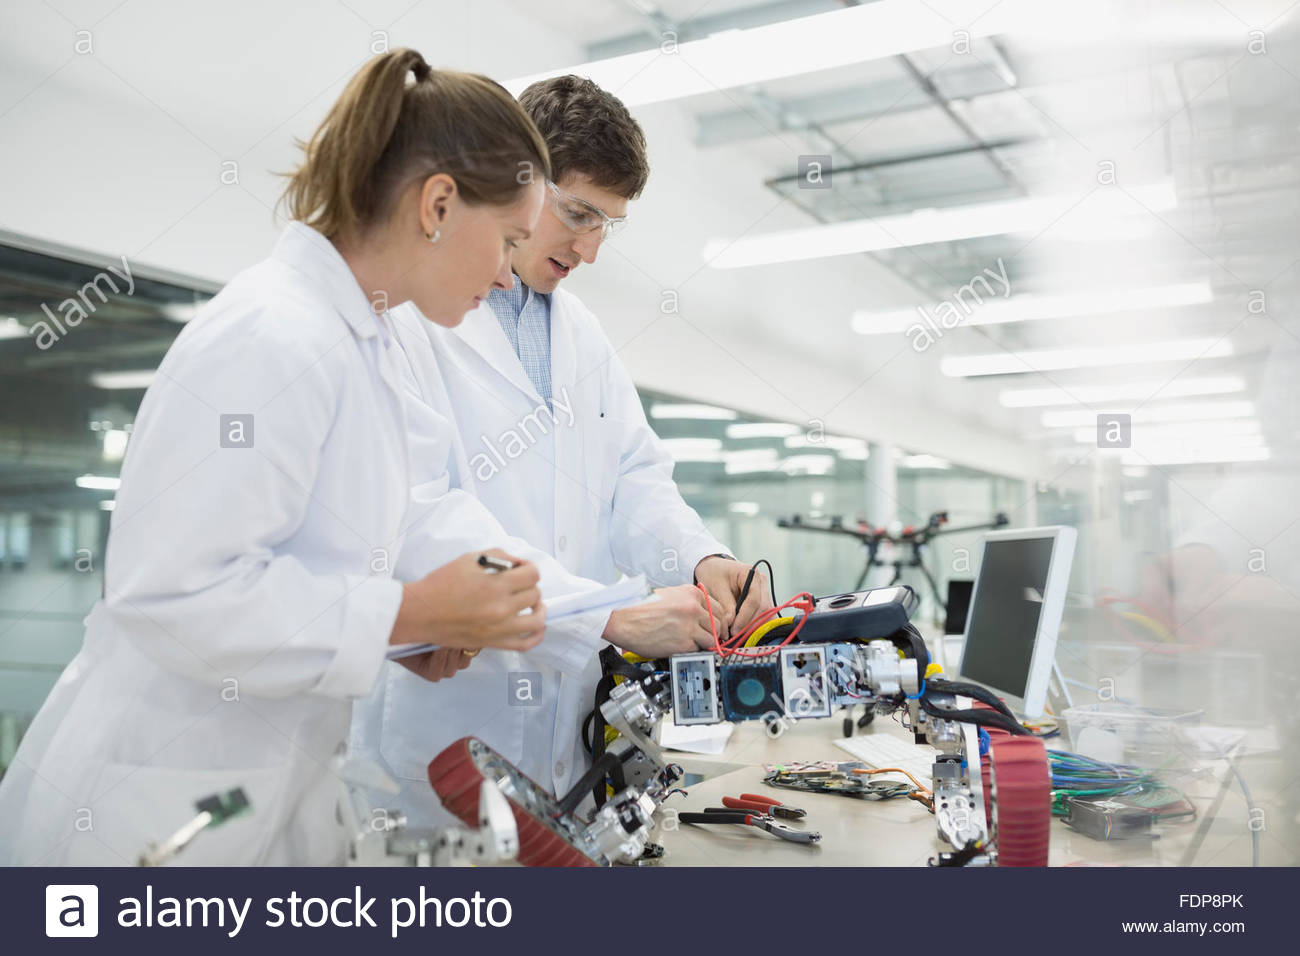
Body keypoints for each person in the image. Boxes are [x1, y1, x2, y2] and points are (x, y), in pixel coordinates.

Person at [0, 49, 563, 866]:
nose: (510, 280)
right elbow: (175, 595)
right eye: (510, 239)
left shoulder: (367, 342)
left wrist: (416, 631)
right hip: (152, 803)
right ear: (438, 203)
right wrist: (410, 615)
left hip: (261, 792)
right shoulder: (272, 335)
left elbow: (382, 528)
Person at [354, 76, 775, 827]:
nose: (589, 247)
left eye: (608, 224)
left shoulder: (582, 336)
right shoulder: (412, 319)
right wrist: (600, 617)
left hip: (567, 742)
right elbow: (426, 522)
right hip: (444, 734)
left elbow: (636, 482)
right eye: (577, 214)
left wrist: (701, 562)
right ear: (518, 182)